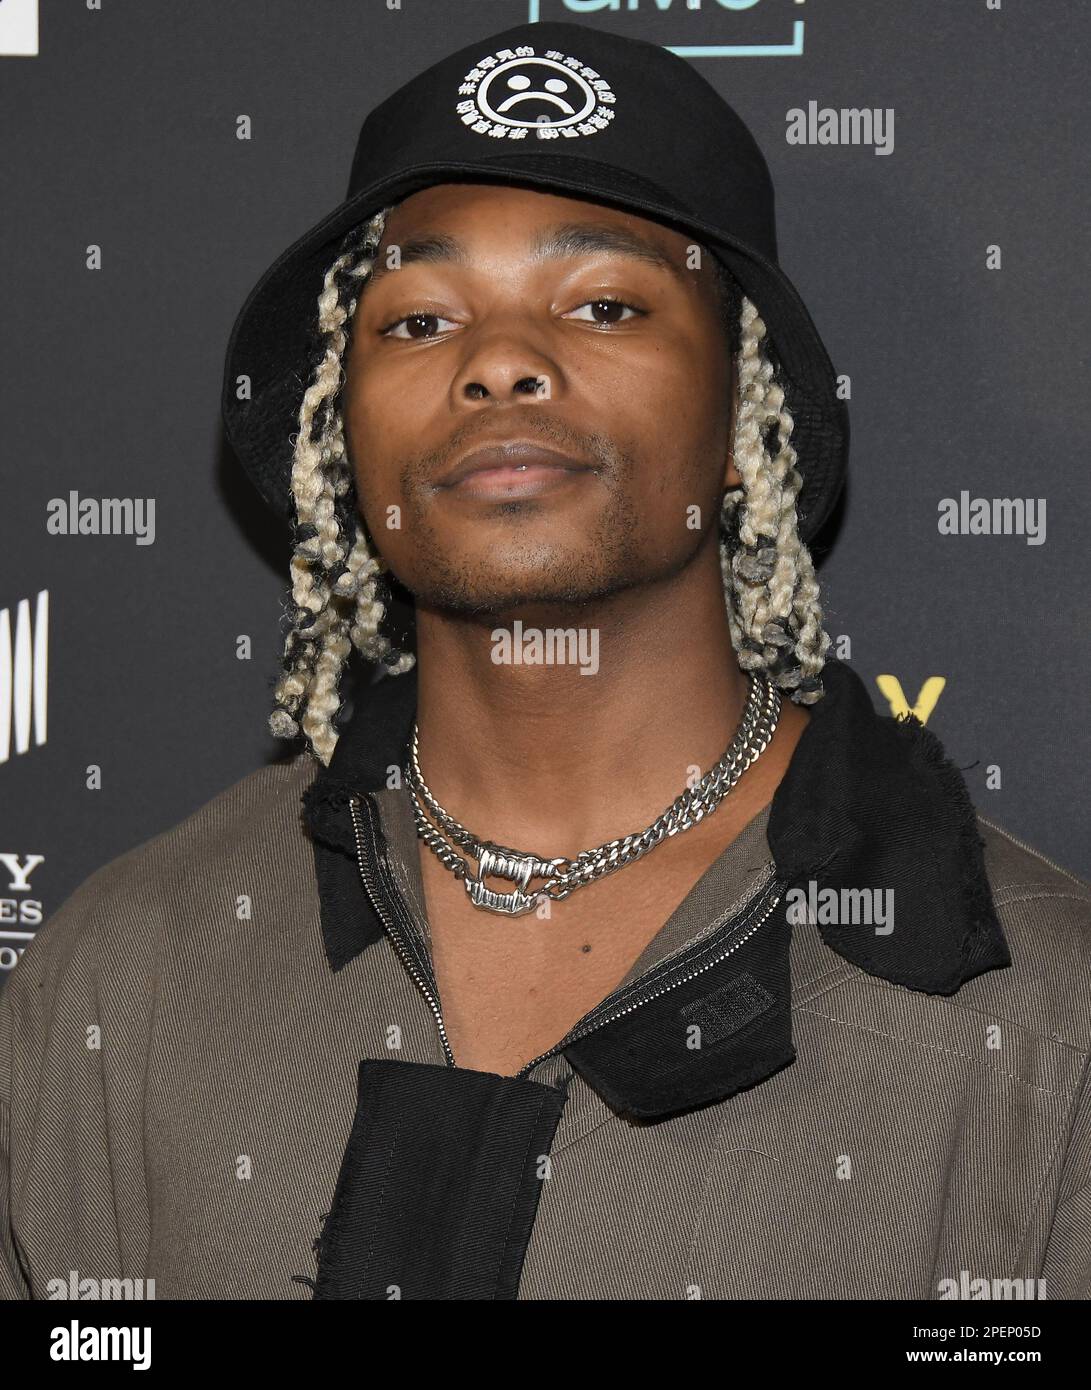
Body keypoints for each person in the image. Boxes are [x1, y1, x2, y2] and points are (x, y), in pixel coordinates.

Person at [3, 20, 1089, 1302]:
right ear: (339, 433)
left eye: (605, 304)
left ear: (745, 418)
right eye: (415, 320)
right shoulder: (121, 971)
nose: (499, 361)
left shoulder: (1038, 1022)